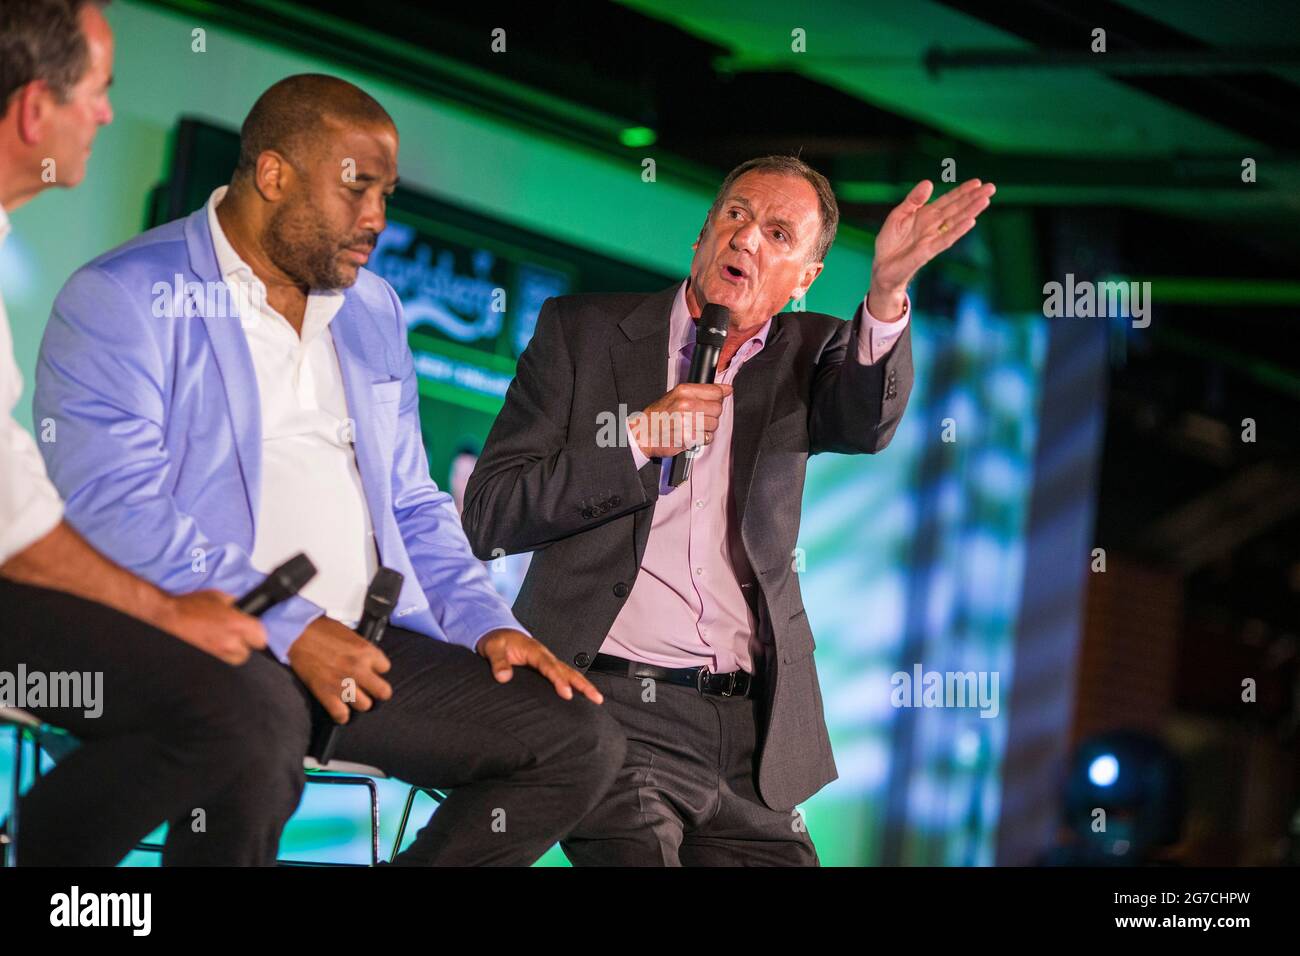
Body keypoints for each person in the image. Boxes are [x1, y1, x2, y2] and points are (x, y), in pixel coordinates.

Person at [34, 73, 625, 866]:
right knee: (256, 743)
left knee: (578, 739)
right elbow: (116, 505)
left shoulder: (375, 307)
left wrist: (487, 624)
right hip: (221, 637)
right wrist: (291, 628)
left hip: (371, 647)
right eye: (357, 188)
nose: (377, 219)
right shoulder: (127, 294)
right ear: (273, 174)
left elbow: (415, 505)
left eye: (387, 192)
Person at [463, 154, 995, 864]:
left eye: (779, 234)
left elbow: (866, 422)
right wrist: (636, 441)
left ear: (806, 278)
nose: (747, 239)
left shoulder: (816, 353)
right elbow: (492, 512)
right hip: (609, 706)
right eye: (737, 215)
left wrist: (889, 291)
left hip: (749, 738)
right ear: (703, 234)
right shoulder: (582, 332)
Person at [0, 0, 272, 866]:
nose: (109, 113)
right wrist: (169, 612)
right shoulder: (116, 292)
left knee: (248, 715)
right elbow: (13, 524)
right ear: (35, 110)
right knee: (229, 710)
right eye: (100, 91)